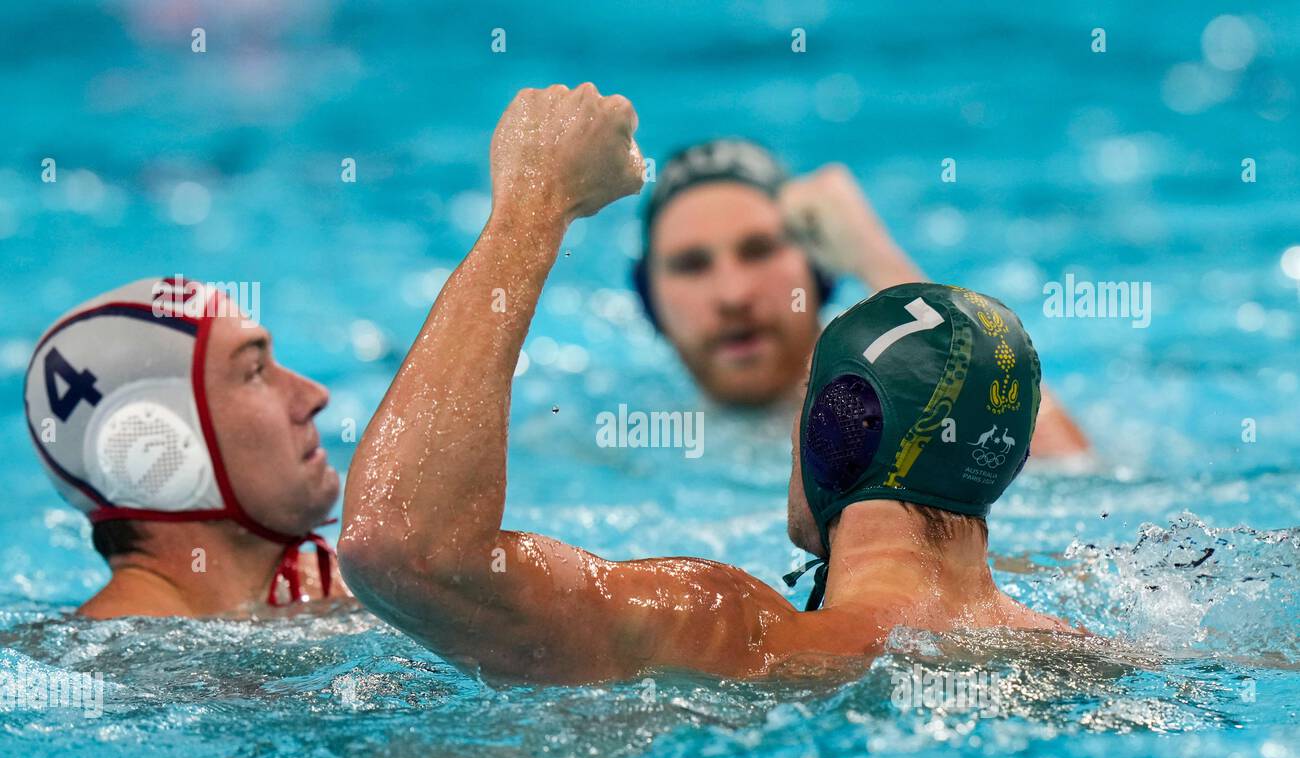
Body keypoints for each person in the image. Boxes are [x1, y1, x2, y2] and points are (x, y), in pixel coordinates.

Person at [338, 84, 1078, 684]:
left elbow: (403, 548)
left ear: (829, 431)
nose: (731, 293)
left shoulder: (737, 636)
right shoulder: (1091, 660)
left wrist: (530, 207)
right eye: (693, 265)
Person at [632, 137, 1091, 456]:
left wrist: (877, 260)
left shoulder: (906, 418)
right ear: (649, 301)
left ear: (819, 270)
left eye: (760, 251)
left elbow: (1074, 476)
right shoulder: (631, 442)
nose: (733, 295)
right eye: (691, 265)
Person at [23, 276, 347, 618]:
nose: (314, 396)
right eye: (254, 371)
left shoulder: (348, 591)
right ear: (152, 446)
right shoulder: (94, 665)